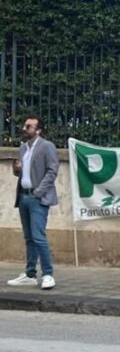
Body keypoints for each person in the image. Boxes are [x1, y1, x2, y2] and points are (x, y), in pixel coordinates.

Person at [7, 115, 59, 290]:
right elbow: (22, 173)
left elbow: (52, 171)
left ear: (38, 130)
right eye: (24, 125)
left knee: (38, 237)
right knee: (29, 238)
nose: (24, 128)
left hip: (37, 198)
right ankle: (30, 274)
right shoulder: (23, 148)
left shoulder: (47, 146)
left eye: (28, 126)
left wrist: (39, 191)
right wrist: (17, 170)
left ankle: (48, 274)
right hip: (23, 196)